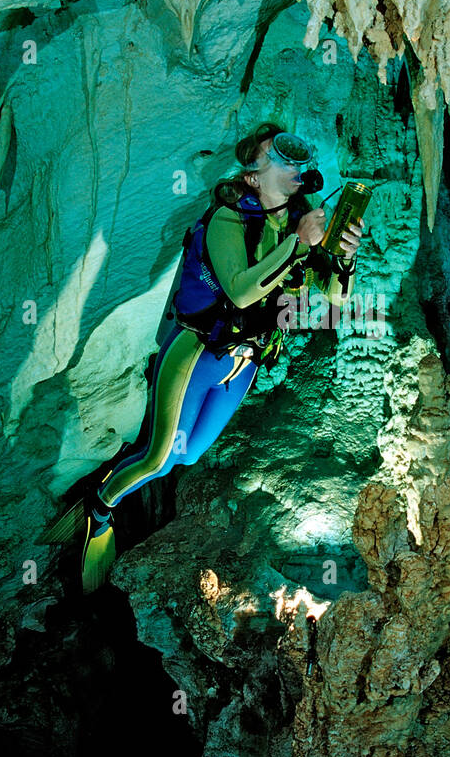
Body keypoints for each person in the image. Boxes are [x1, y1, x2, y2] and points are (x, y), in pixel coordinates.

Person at [40, 123, 363, 591]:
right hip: (199, 349)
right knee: (157, 456)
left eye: (296, 157)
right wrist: (297, 243)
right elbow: (239, 289)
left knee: (185, 454)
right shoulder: (227, 219)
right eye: (280, 156)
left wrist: (344, 258)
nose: (295, 164)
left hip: (246, 363)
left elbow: (335, 299)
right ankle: (99, 508)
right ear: (253, 175)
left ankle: (109, 491)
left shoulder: (303, 220)